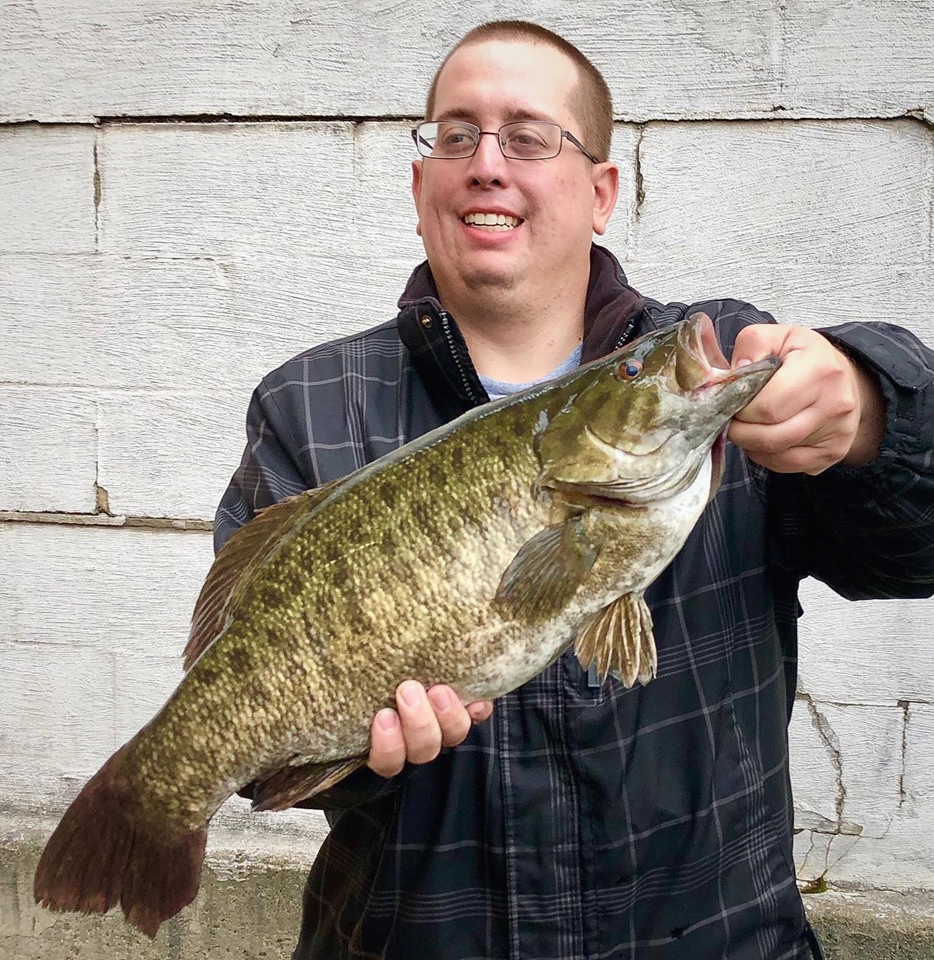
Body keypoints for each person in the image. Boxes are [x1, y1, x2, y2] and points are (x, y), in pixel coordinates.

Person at [215, 20, 934, 960]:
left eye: (528, 136)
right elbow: (259, 718)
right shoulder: (307, 403)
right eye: (455, 134)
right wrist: (356, 762)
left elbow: (912, 550)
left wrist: (873, 417)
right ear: (420, 182)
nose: (485, 164)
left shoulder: (715, 375)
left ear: (601, 193)